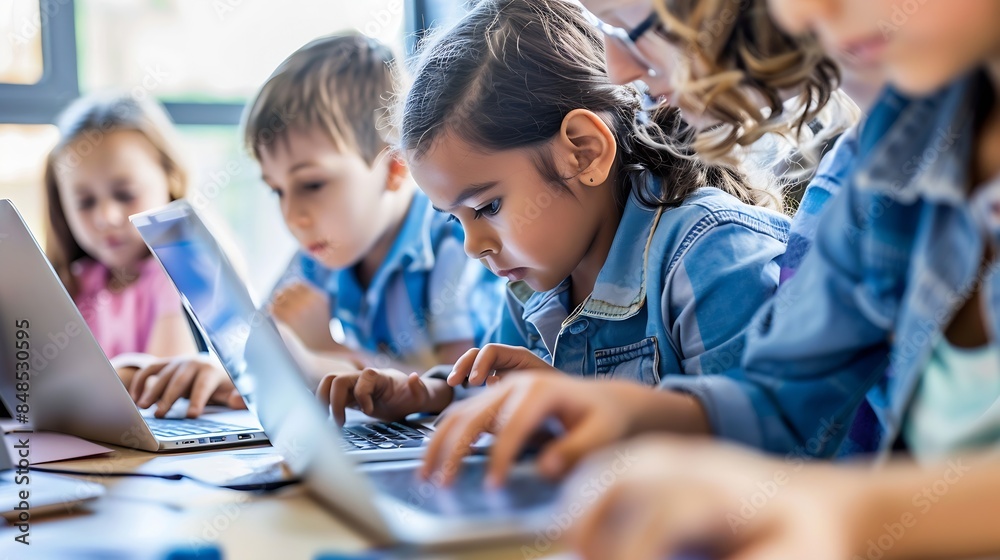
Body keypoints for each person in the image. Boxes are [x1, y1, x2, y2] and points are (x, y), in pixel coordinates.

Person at [320, 0, 791, 435]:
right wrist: (425, 392)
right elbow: (490, 386)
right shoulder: (532, 287)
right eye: (455, 219)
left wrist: (576, 404)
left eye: (488, 207)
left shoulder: (708, 256)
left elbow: (760, 447)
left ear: (583, 152)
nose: (473, 244)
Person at [44, 93, 243, 417]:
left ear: (171, 179)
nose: (106, 216)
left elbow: (164, 385)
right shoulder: (74, 284)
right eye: (85, 202)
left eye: (125, 194)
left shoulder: (174, 276)